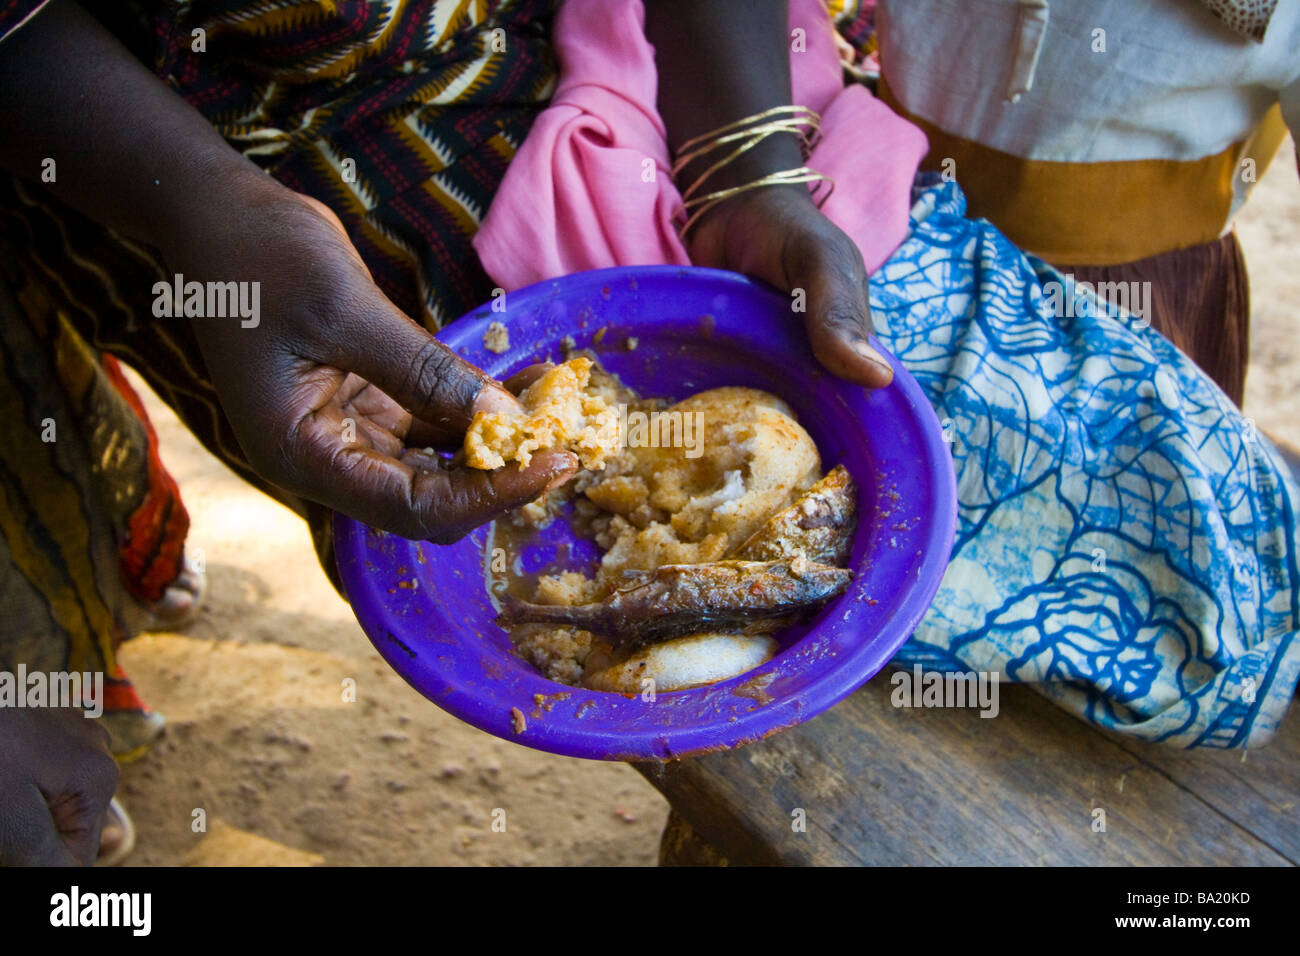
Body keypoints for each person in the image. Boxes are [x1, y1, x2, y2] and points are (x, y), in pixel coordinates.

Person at [0, 0, 891, 865]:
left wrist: (745, 172)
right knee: (374, 486)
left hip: (512, 86)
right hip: (130, 158)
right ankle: (85, 649)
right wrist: (202, 212)